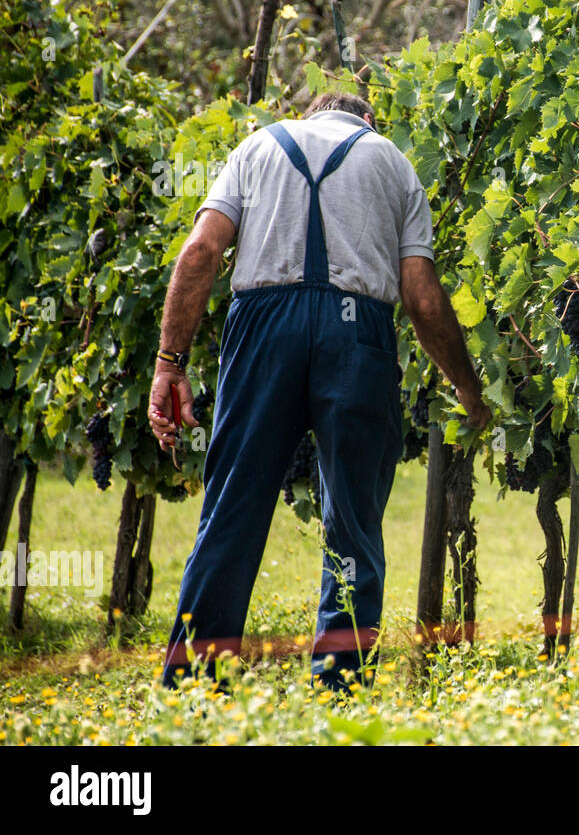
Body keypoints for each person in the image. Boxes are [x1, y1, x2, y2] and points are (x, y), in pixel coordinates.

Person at [148, 90, 490, 691]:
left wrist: (169, 363)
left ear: (308, 115)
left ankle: (194, 682)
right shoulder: (391, 161)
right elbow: (422, 294)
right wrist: (467, 387)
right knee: (354, 521)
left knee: (230, 511)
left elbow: (200, 251)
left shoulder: (256, 148)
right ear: (366, 121)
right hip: (358, 334)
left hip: (263, 328)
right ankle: (340, 687)